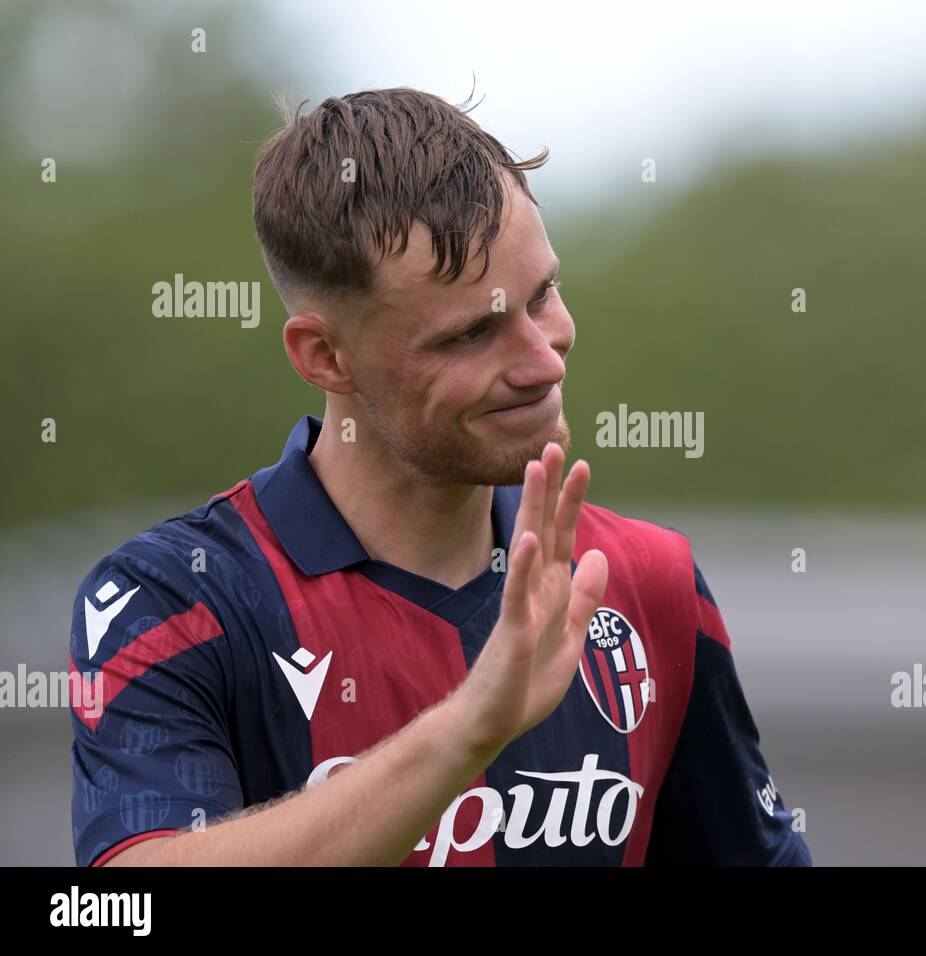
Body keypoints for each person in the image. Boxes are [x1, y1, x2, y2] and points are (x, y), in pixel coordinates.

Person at [68, 87, 811, 867]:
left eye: (543, 295)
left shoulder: (647, 582)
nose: (542, 358)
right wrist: (469, 729)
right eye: (472, 334)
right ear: (325, 357)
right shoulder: (172, 599)